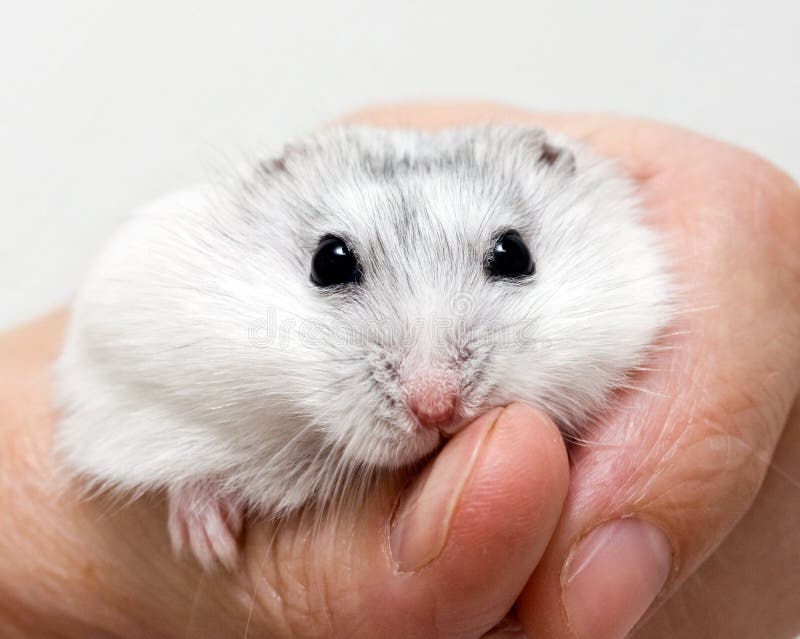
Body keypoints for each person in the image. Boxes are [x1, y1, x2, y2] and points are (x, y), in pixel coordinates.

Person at [1, 103, 798, 639]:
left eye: (506, 258)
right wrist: (192, 477)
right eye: (336, 265)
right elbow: (113, 370)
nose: (433, 394)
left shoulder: (627, 264)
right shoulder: (171, 290)